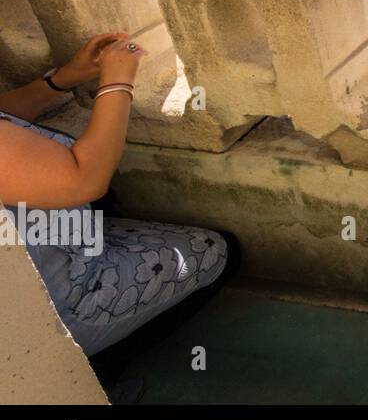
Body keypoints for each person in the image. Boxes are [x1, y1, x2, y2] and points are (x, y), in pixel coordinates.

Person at [0, 32, 230, 378]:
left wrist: (62, 80)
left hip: (43, 253)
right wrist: (118, 79)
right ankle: (93, 370)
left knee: (106, 215)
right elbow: (86, 179)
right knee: (217, 250)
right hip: (58, 306)